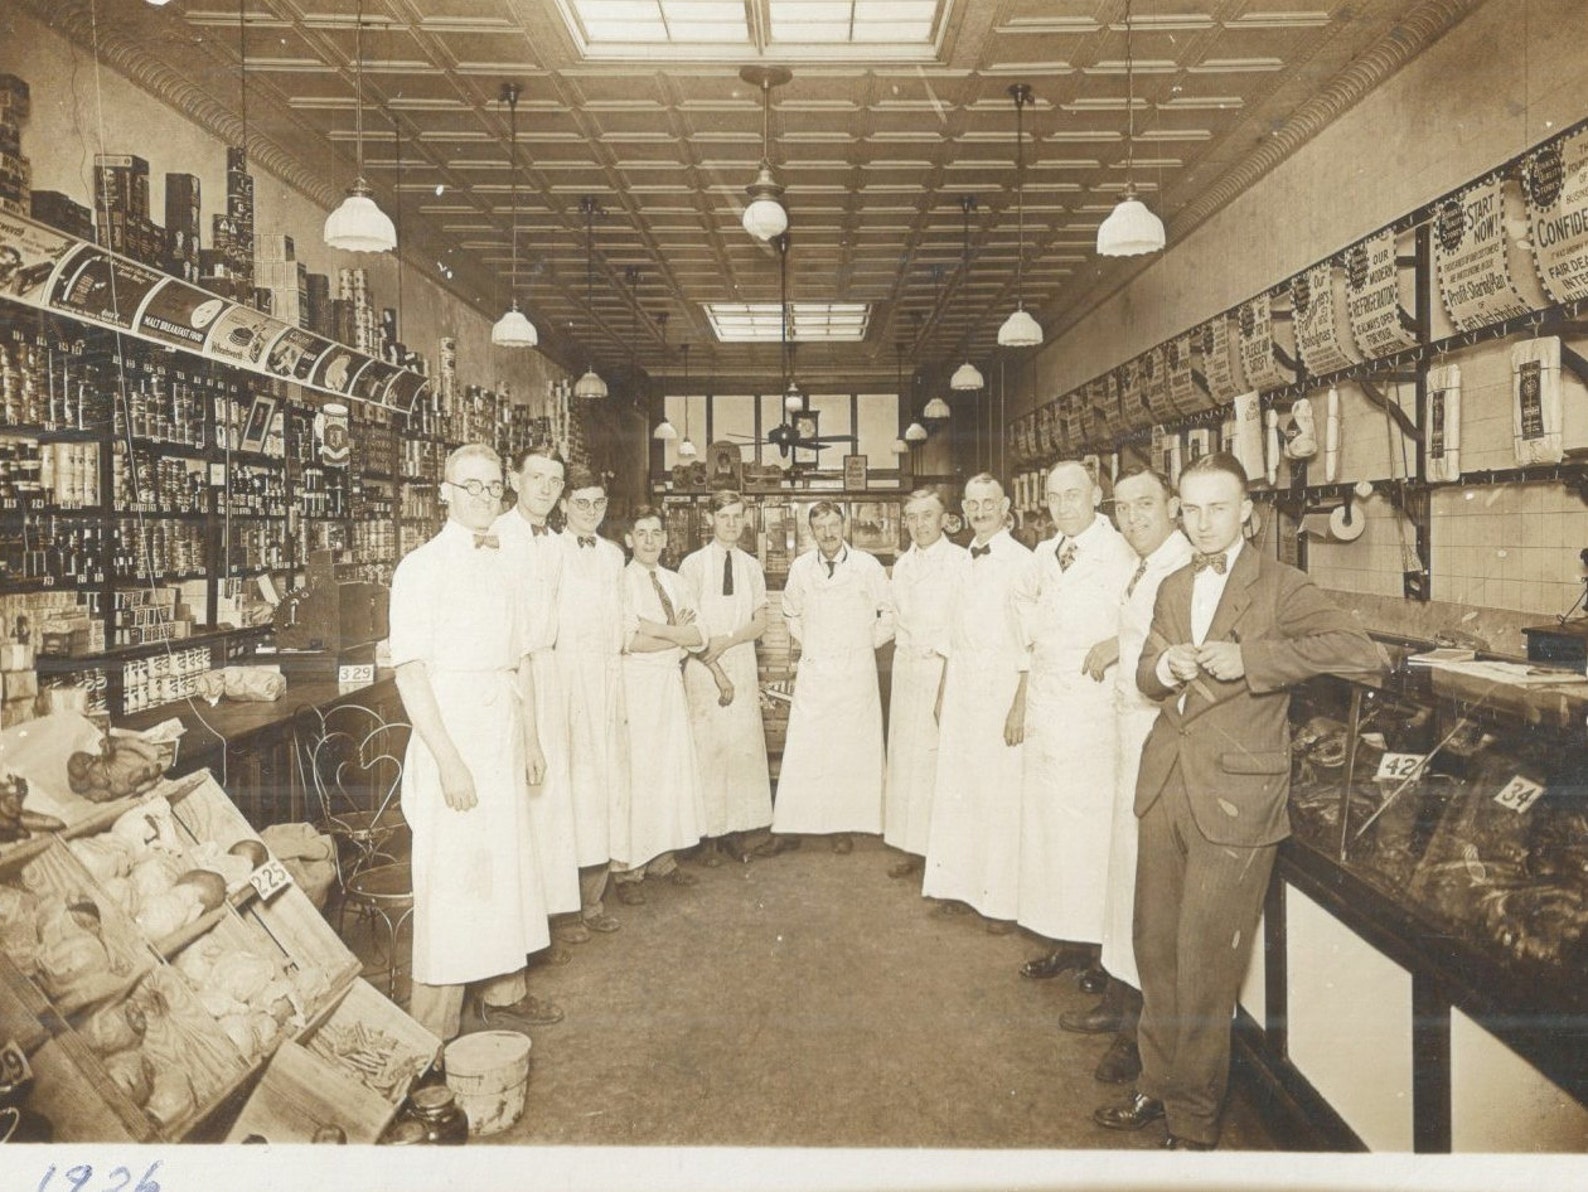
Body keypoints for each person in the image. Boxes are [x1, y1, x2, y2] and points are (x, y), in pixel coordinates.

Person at [1093, 453, 1386, 1150]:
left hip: (1235, 802)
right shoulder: (1171, 584)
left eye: (1216, 508)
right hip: (1165, 784)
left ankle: (1191, 1123)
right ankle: (1157, 1087)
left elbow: (1361, 653)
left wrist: (1252, 662)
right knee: (1155, 950)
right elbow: (1144, 670)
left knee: (1202, 963)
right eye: (1189, 509)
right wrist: (1164, 669)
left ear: (1247, 513)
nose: (1201, 522)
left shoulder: (1281, 585)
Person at [389, 443, 562, 1040]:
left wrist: (532, 741)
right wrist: (450, 763)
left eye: (493, 488)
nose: (485, 498)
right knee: (453, 878)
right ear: (444, 493)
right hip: (452, 735)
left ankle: (504, 992)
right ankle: (431, 1030)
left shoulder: (506, 563)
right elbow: (411, 673)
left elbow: (523, 659)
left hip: (502, 730)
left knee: (506, 865)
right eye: (472, 487)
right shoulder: (420, 568)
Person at [1062, 466, 1192, 1086]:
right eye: (1124, 507)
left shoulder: (1183, 564)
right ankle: (1121, 1004)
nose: (1134, 517)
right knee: (1124, 876)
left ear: (1172, 505)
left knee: (1149, 891)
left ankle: (1141, 1035)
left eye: (1147, 504)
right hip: (1128, 737)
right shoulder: (1146, 564)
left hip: (1159, 743)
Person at [1012, 459, 1136, 984]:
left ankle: (1097, 954)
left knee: (1090, 835)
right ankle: (1062, 938)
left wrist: (1118, 644)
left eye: (1073, 495)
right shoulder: (1042, 554)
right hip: (1048, 706)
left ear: (1096, 494)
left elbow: (1145, 619)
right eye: (1054, 497)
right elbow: (1019, 602)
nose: (1062, 506)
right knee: (1050, 832)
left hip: (1092, 710)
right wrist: (1032, 642)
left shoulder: (1122, 551)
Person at [920, 474, 1030, 933]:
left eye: (989, 502)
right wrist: (944, 693)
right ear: (962, 510)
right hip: (963, 692)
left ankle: (1000, 902)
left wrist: (1019, 706)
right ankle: (960, 888)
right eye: (973, 503)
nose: (981, 511)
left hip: (1000, 692)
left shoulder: (1023, 561)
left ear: (1005, 507)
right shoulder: (963, 559)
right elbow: (950, 634)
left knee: (998, 796)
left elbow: (1030, 643)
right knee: (959, 792)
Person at [758, 501, 894, 857]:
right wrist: (817, 646)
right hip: (816, 672)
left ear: (844, 525)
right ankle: (791, 825)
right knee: (807, 748)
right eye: (821, 528)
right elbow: (790, 613)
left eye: (834, 525)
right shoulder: (802, 567)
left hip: (855, 674)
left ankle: (841, 826)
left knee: (848, 751)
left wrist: (864, 645)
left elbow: (890, 613)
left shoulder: (867, 566)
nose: (828, 533)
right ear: (811, 531)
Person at [492, 446, 582, 940]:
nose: (546, 488)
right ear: (514, 480)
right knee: (523, 795)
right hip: (512, 675)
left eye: (555, 480)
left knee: (550, 797)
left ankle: (547, 919)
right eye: (537, 478)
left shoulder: (555, 543)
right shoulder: (498, 538)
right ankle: (521, 929)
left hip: (550, 670)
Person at [610, 506, 707, 902]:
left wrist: (657, 629)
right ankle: (629, 871)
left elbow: (700, 636)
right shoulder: (621, 581)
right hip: (636, 687)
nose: (650, 541)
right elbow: (627, 641)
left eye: (656, 533)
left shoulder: (677, 581)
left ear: (666, 539)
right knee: (639, 775)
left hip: (669, 685)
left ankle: (663, 859)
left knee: (670, 773)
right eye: (642, 533)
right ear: (629, 539)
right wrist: (676, 634)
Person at [678, 491, 773, 865]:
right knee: (708, 749)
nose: (731, 523)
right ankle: (707, 836)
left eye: (737, 516)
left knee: (740, 749)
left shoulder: (751, 566)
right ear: (710, 519)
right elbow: (688, 626)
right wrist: (714, 662)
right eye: (724, 516)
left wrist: (729, 641)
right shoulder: (693, 566)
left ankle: (735, 831)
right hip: (703, 667)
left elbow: (761, 621)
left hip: (742, 660)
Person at [552, 465, 627, 939]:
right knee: (569, 794)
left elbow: (619, 621)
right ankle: (563, 910)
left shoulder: (613, 556)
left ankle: (592, 899)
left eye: (599, 503)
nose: (591, 512)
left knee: (604, 789)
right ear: (563, 505)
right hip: (564, 682)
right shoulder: (548, 551)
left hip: (605, 680)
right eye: (582, 503)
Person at [882, 487, 965, 880]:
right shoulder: (903, 565)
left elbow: (960, 627)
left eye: (927, 515)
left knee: (936, 759)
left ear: (945, 518)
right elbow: (895, 619)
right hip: (907, 668)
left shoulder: (961, 562)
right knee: (908, 760)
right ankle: (912, 845)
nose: (919, 525)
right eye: (912, 517)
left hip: (941, 669)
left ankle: (941, 850)